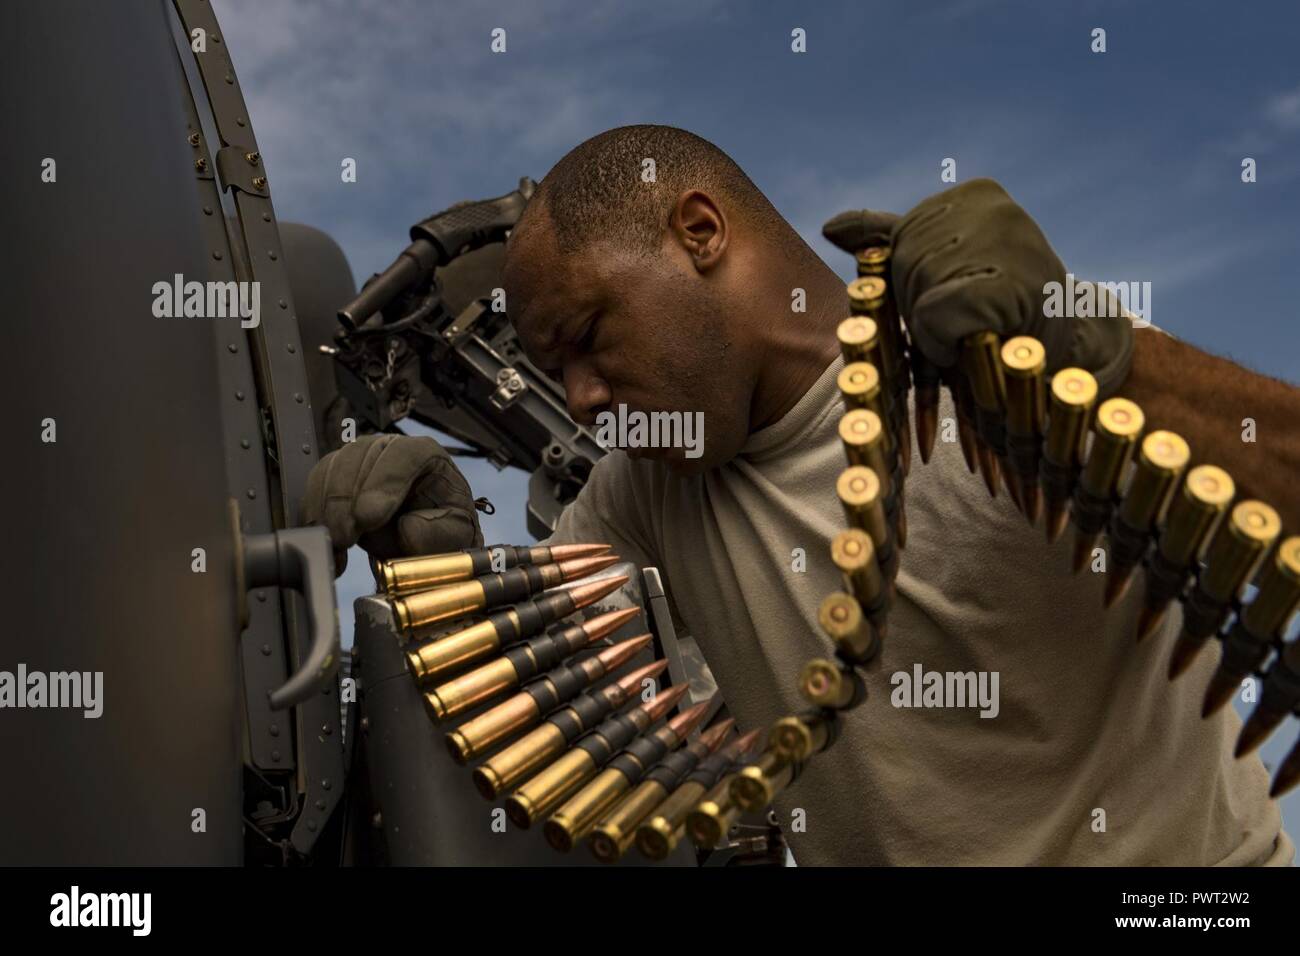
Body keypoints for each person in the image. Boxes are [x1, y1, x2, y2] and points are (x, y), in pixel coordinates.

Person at [303, 124, 1299, 865]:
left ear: (699, 231)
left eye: (591, 338)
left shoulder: (988, 375)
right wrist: (447, 562)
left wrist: (1106, 363)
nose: (581, 399)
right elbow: (552, 704)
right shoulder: (641, 486)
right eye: (553, 368)